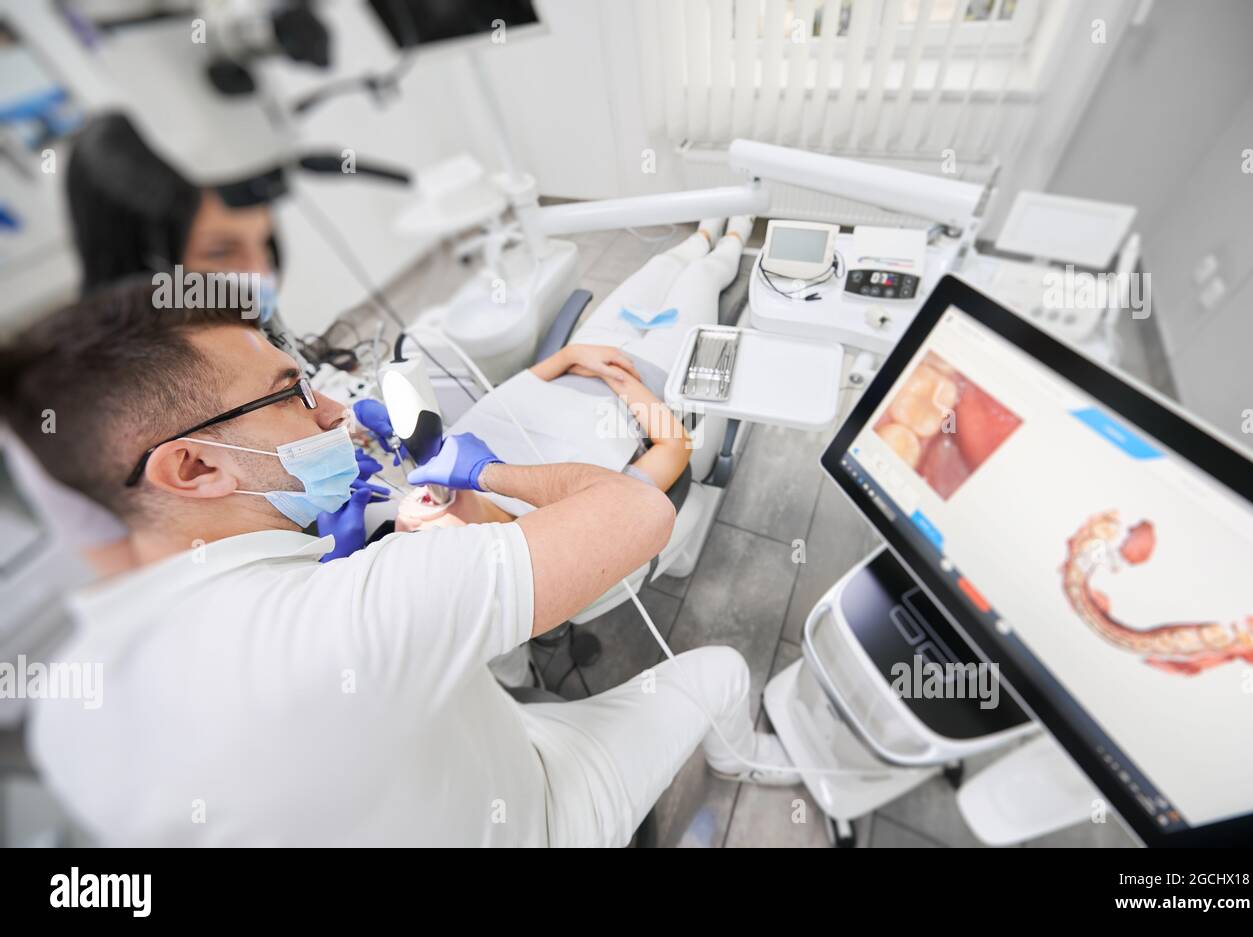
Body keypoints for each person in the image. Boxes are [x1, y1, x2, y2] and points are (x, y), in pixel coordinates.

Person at [0, 278, 795, 847]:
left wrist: (571, 363)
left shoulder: (69, 726)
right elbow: (643, 499)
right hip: (547, 803)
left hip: (461, 740)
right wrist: (482, 475)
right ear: (197, 468)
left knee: (701, 267)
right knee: (721, 669)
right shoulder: (373, 605)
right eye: (292, 393)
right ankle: (751, 756)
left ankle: (712, 252)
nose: (336, 411)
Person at [2, 111, 292, 579]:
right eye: (221, 251)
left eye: (265, 243)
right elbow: (133, 576)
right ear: (141, 260)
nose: (259, 274)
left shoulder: (216, 308)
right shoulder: (55, 408)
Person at [393, 216, 754, 531]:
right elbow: (675, 447)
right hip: (651, 372)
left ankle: (703, 235)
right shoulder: (572, 519)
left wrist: (573, 354)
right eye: (419, 534)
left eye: (401, 528)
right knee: (702, 274)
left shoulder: (453, 459)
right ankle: (737, 234)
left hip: (592, 349)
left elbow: (526, 386)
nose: (409, 518)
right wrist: (620, 379)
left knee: (662, 265)